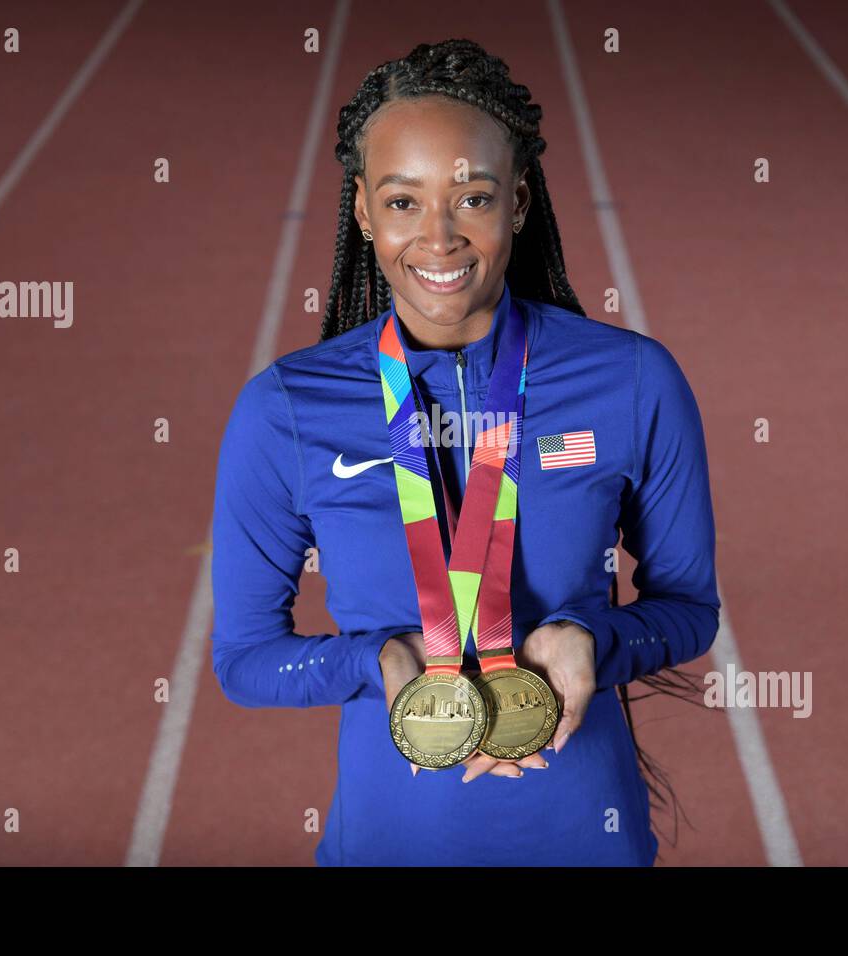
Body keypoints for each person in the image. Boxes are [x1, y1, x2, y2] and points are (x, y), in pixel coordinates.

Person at [210, 38, 720, 866]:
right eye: (403, 202)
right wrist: (375, 660)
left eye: (473, 198)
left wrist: (592, 640)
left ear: (517, 201)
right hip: (390, 842)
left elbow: (690, 609)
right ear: (364, 212)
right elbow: (244, 661)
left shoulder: (632, 380)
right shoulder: (288, 409)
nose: (439, 239)